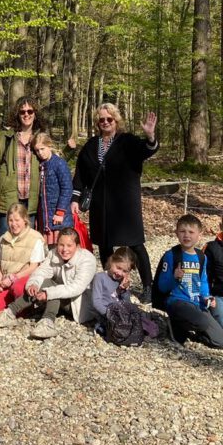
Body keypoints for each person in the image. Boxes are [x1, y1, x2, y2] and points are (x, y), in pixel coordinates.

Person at [70, 103, 158, 302]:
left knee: (135, 244)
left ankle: (148, 286)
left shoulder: (127, 141)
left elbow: (147, 150)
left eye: (109, 119)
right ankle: (110, 283)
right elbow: (81, 174)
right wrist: (75, 198)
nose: (105, 122)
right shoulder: (91, 145)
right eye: (101, 119)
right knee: (104, 244)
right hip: (100, 205)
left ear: (116, 120)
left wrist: (150, 136)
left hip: (125, 205)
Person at [0, 227, 96, 339]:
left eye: (69, 245)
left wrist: (49, 293)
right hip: (60, 298)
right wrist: (33, 284)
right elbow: (40, 272)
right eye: (61, 245)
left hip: (78, 305)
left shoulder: (87, 259)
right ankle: (10, 312)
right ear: (57, 244)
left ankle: (47, 323)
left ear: (78, 246)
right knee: (43, 282)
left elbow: (76, 288)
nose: (64, 249)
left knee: (50, 287)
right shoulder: (53, 254)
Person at [155, 214, 223, 349]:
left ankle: (194, 331)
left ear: (199, 235)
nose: (186, 235)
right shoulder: (171, 255)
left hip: (196, 303)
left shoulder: (201, 257)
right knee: (201, 322)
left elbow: (203, 281)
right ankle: (176, 324)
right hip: (177, 301)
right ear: (176, 233)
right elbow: (162, 286)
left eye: (191, 232)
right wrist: (174, 278)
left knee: (222, 342)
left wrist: (207, 297)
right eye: (182, 231)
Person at [0, 97, 42, 238]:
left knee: (27, 241)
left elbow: (53, 160)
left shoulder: (40, 138)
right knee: (5, 240)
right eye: (22, 111)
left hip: (32, 199)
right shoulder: (5, 137)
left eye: (30, 111)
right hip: (9, 197)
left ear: (35, 114)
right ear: (17, 114)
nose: (26, 114)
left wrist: (69, 149)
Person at [0, 203, 46, 321]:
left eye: (17, 220)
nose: (14, 224)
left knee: (17, 288)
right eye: (11, 220)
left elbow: (34, 267)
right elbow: (0, 264)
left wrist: (13, 278)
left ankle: (26, 306)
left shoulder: (35, 238)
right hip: (6, 282)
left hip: (24, 281)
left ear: (25, 220)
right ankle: (11, 304)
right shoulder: (3, 239)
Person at [32, 133, 73, 246]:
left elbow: (67, 188)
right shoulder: (40, 164)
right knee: (47, 248)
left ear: (49, 146)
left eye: (42, 149)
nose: (40, 153)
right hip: (44, 214)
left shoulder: (59, 163)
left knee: (60, 245)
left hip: (58, 214)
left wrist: (60, 212)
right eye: (37, 150)